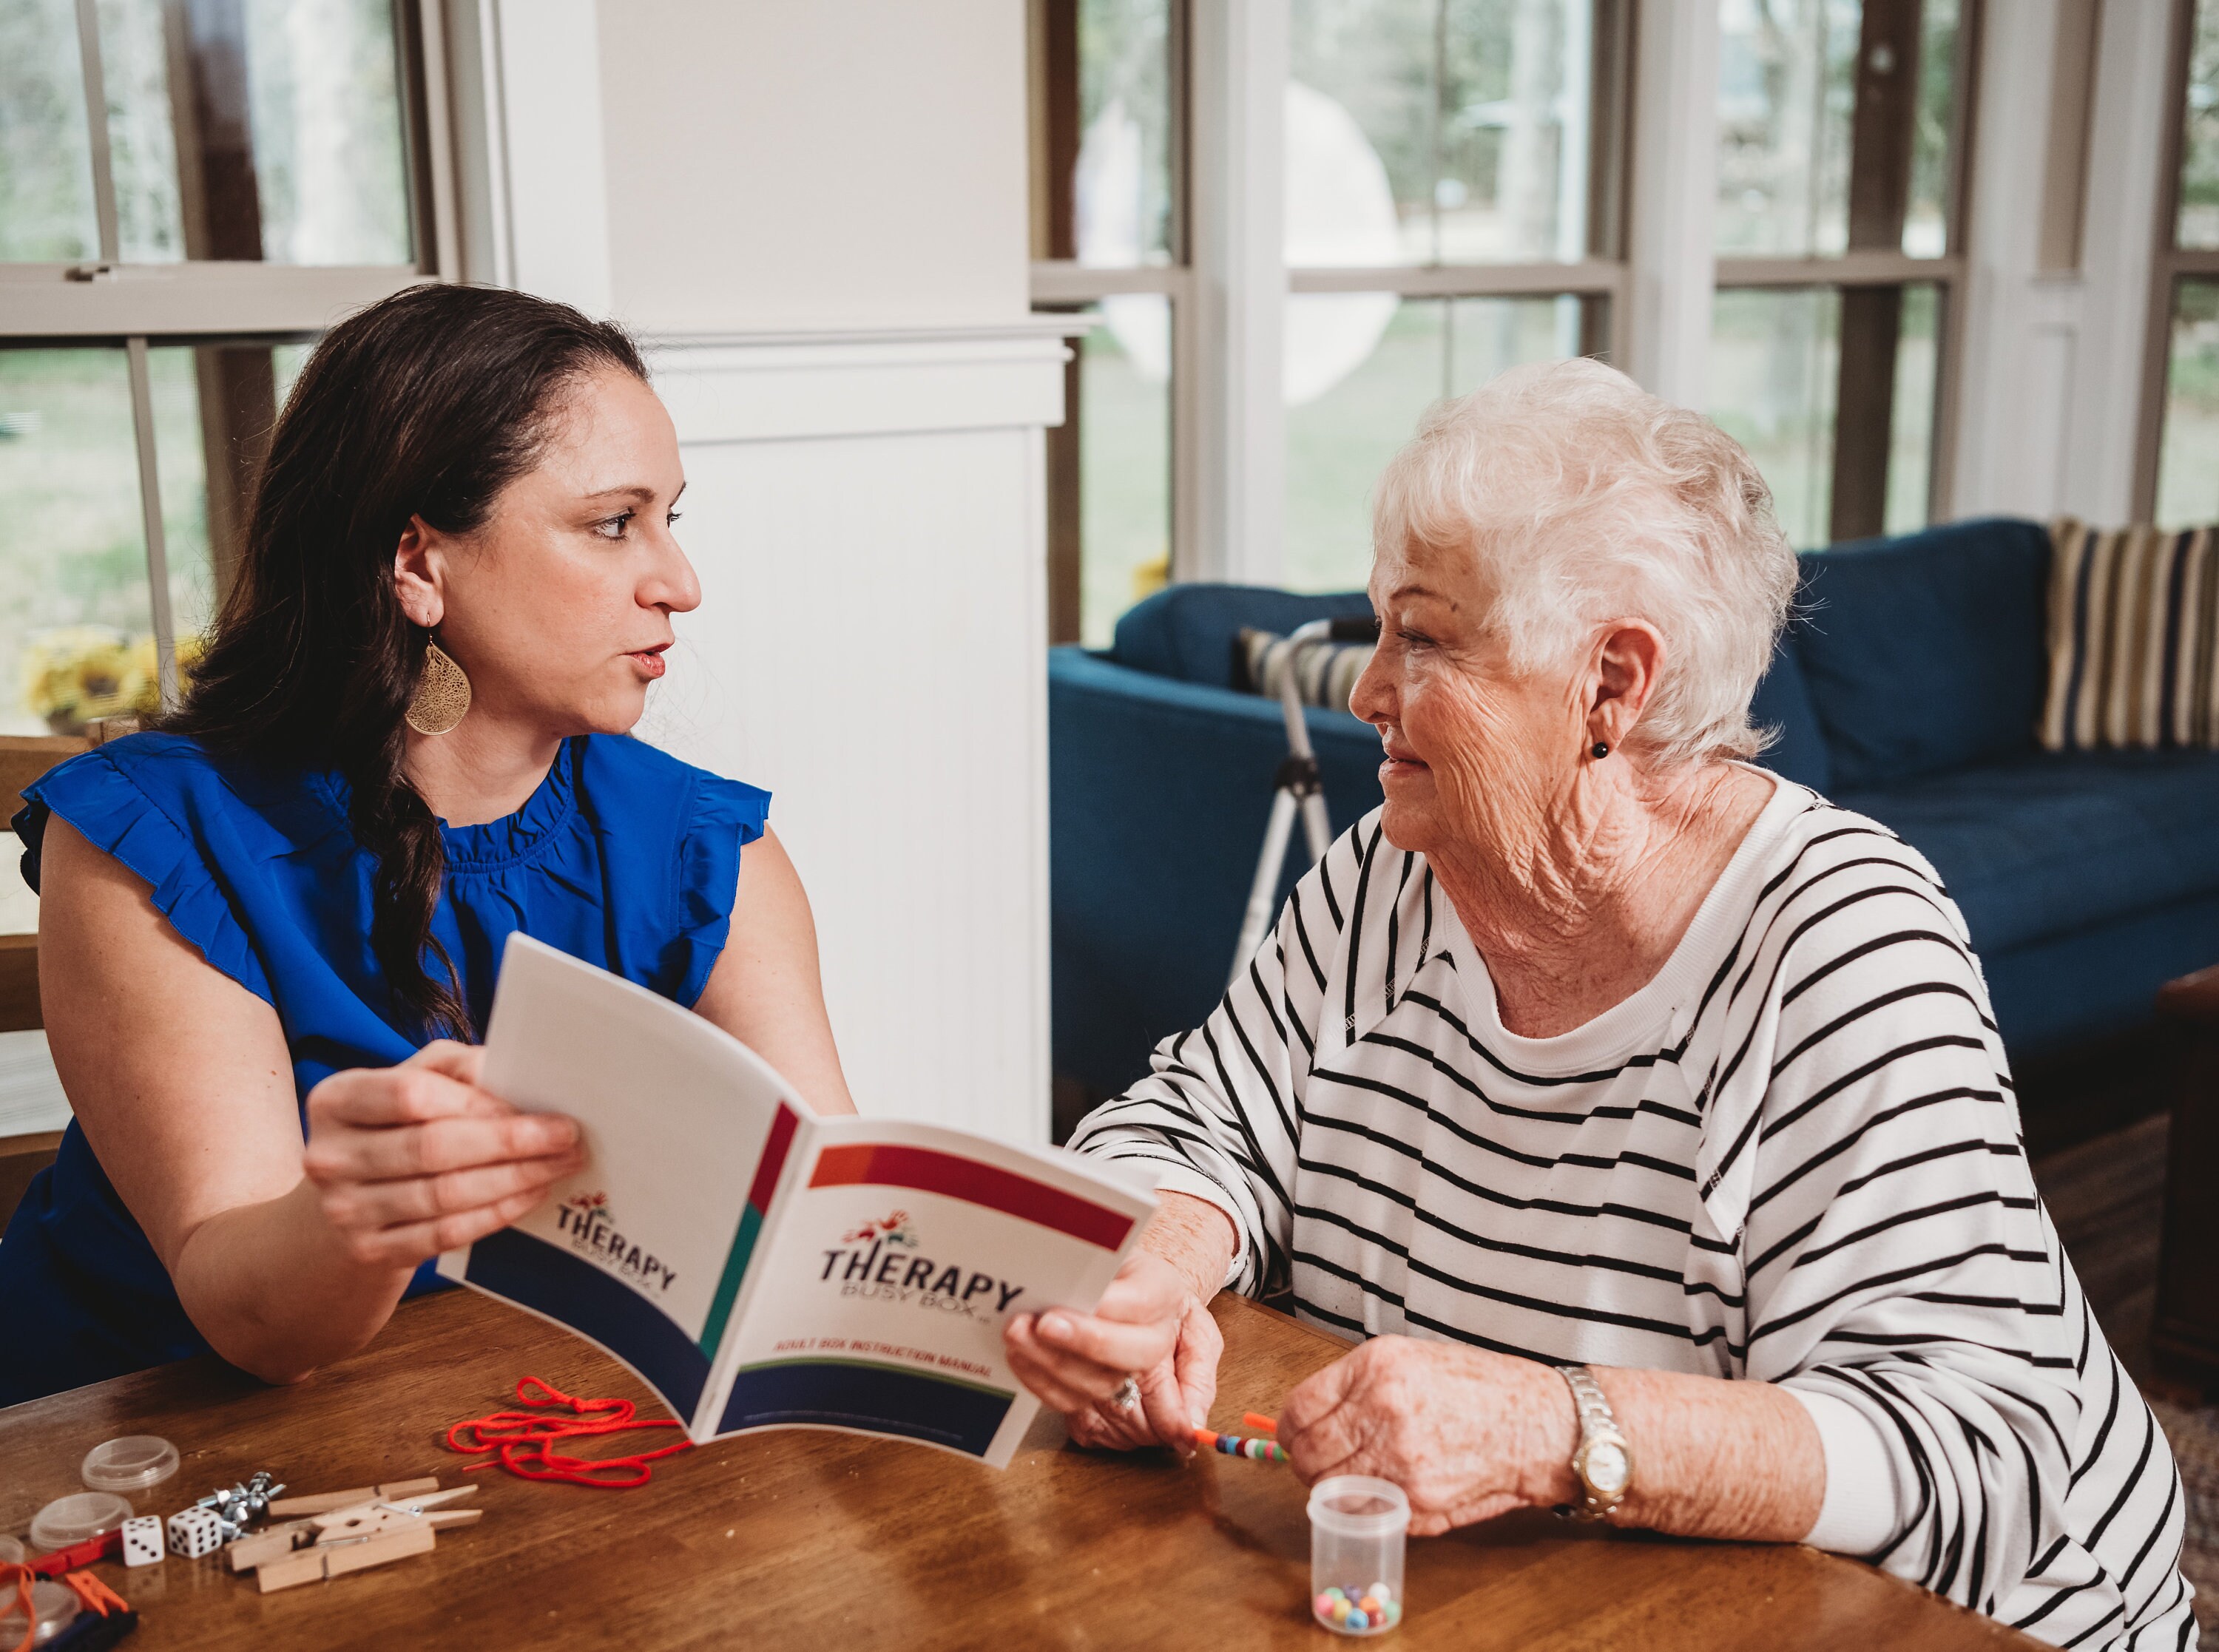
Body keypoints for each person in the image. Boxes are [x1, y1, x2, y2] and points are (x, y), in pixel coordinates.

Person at [1006, 359, 2195, 1648]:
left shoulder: (1839, 941)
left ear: (1611, 685)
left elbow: (1972, 1449)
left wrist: (1555, 1430)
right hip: (1547, 1589)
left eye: (1424, 635)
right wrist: (1150, 1274)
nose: (1367, 693)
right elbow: (1202, 1116)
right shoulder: (1390, 875)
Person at [0, 284, 855, 1406]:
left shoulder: (708, 854)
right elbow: (245, 1313)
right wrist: (355, 1218)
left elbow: (827, 1236)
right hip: (126, 1442)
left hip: (518, 1431)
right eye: (613, 523)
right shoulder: (153, 837)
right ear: (416, 561)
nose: (679, 585)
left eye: (670, 520)